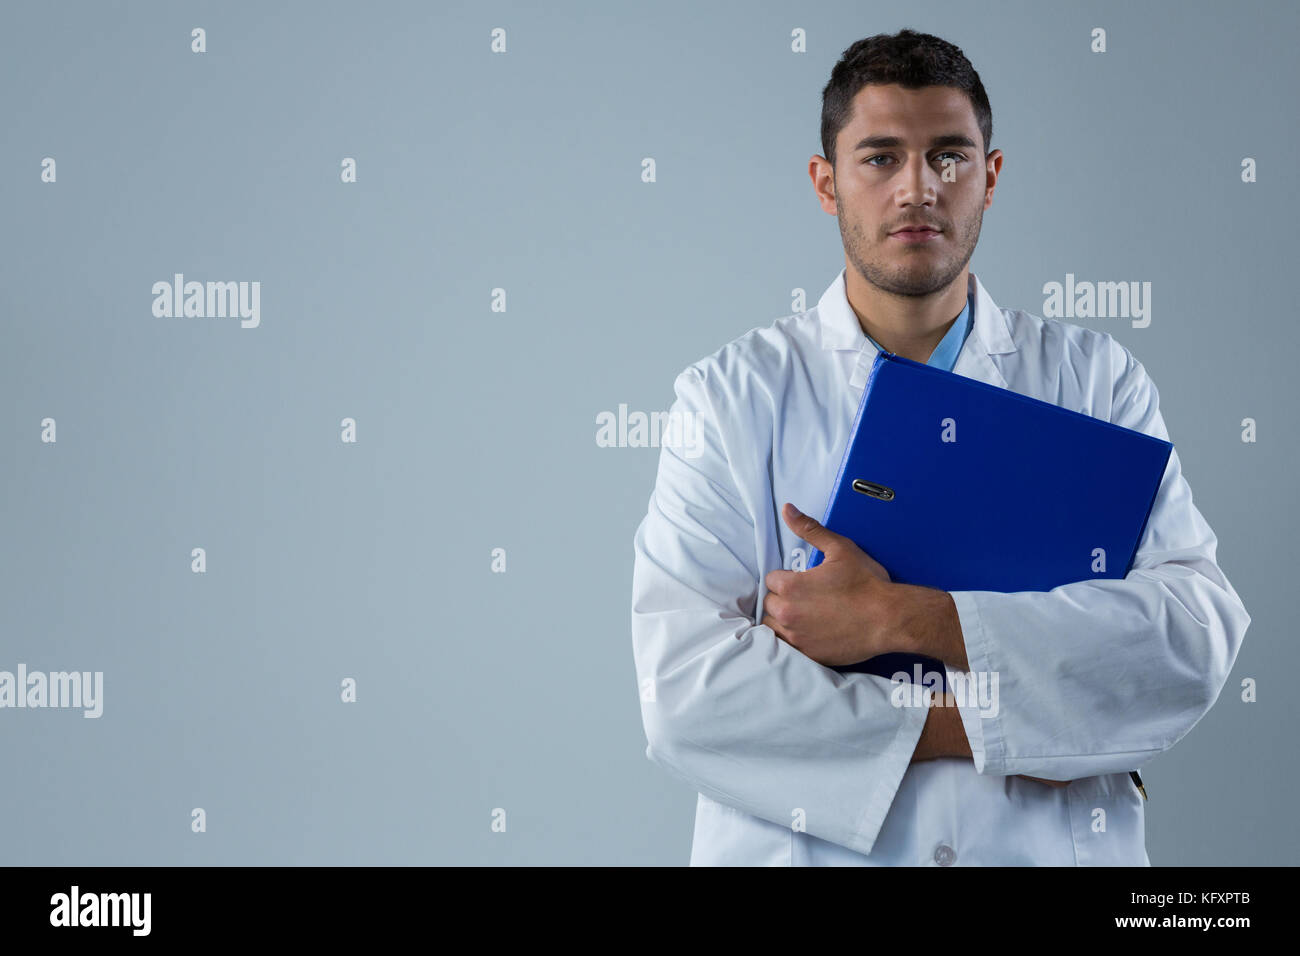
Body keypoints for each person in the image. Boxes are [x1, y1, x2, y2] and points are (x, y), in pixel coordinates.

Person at [629, 29, 1250, 866]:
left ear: (990, 176)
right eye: (880, 158)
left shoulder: (1097, 380)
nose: (919, 188)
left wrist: (904, 618)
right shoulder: (728, 398)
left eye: (949, 156)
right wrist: (1010, 712)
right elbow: (687, 696)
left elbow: (1189, 638)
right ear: (827, 183)